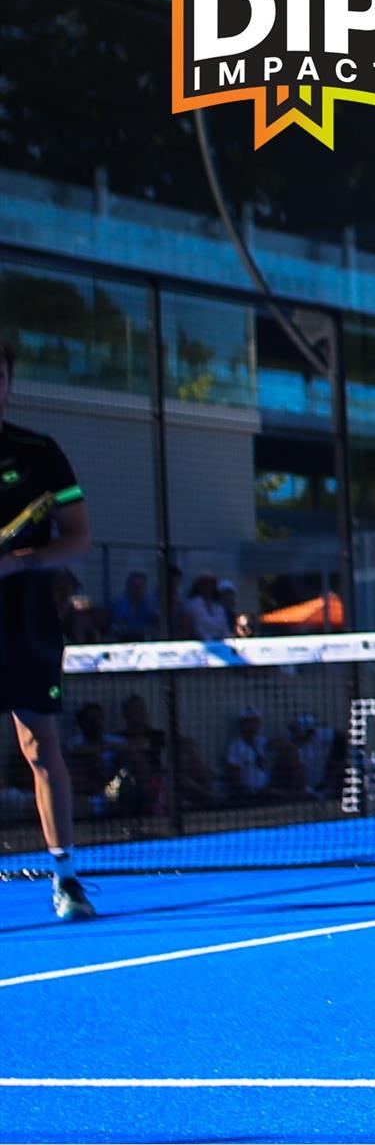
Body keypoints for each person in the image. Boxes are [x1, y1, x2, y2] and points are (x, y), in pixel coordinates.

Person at [0, 340, 97, 919]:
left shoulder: (40, 454)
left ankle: (66, 879)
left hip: (27, 624)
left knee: (40, 747)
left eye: (0, 375)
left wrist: (20, 561)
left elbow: (78, 535)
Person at [108, 571, 158, 642]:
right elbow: (119, 627)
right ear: (128, 587)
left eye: (141, 587)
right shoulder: (119, 604)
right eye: (135, 586)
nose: (138, 590)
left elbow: (153, 628)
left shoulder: (151, 605)